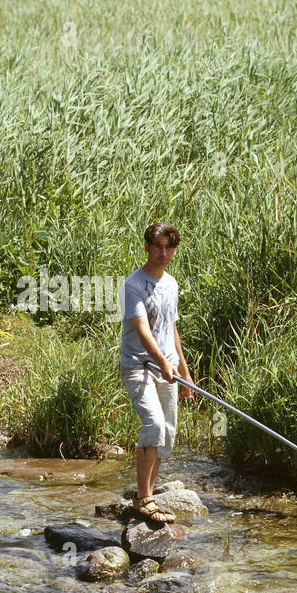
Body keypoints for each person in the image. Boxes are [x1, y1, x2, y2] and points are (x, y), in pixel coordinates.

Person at [119, 223, 194, 524]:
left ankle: (149, 492)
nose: (163, 253)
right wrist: (162, 364)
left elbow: (171, 330)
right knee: (153, 423)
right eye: (158, 247)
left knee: (168, 432)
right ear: (147, 247)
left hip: (169, 367)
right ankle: (143, 498)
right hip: (140, 366)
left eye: (169, 248)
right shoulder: (132, 285)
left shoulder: (172, 284)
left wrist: (185, 373)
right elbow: (143, 330)